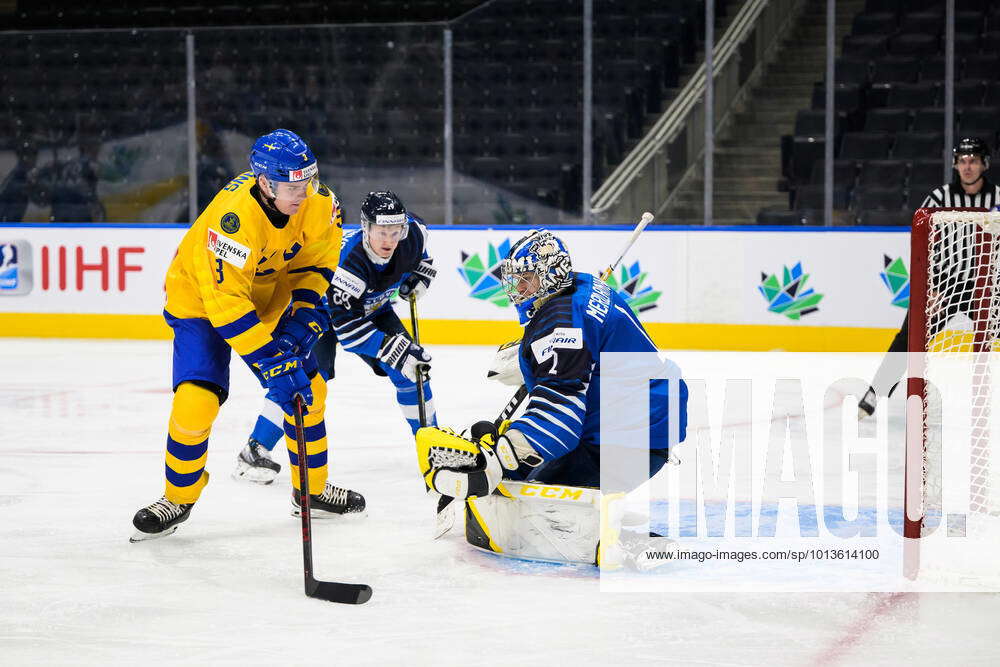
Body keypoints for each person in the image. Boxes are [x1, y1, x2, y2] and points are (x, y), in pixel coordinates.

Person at [131, 128, 363, 542]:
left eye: (307, 181)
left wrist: (303, 317)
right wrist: (275, 363)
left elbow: (318, 261)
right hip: (201, 304)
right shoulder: (232, 220)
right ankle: (177, 497)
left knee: (311, 390)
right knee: (195, 403)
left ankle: (311, 491)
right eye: (292, 185)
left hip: (266, 296)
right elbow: (228, 307)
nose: (303, 192)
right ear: (264, 183)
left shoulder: (320, 204)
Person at [416, 229, 688, 565]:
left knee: (529, 500)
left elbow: (560, 418)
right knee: (520, 480)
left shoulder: (562, 323)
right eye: (516, 281)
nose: (518, 290)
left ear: (552, 275)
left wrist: (501, 455)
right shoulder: (584, 285)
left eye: (527, 280)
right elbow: (587, 344)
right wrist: (529, 357)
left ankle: (613, 541)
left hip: (628, 439)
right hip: (641, 418)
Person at [232, 190, 436, 484]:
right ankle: (255, 450)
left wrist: (421, 274)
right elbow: (350, 333)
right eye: (381, 232)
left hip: (374, 306)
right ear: (365, 227)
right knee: (306, 384)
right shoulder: (349, 263)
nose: (389, 241)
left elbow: (421, 256)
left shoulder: (413, 234)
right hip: (321, 316)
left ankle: (432, 445)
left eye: (395, 232)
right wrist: (393, 348)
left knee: (412, 371)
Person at [859, 137, 1000, 417]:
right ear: (955, 165)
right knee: (909, 336)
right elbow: (924, 242)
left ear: (984, 164)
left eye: (973, 160)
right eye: (962, 160)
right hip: (945, 284)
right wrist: (929, 287)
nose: (967, 166)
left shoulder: (997, 199)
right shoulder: (939, 198)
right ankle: (875, 393)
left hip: (983, 287)